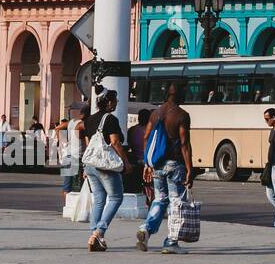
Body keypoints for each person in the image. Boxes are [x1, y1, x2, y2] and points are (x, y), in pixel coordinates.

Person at [136, 84, 195, 254]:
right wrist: (190, 168)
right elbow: (184, 143)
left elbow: (146, 137)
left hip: (157, 165)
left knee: (159, 199)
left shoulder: (156, 113)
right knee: (176, 203)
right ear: (179, 94)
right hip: (175, 164)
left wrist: (148, 163)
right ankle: (170, 242)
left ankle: (146, 229)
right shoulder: (182, 115)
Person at [83, 90, 131, 252]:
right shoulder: (110, 119)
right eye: (115, 100)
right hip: (105, 165)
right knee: (116, 197)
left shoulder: (89, 119)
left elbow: (89, 142)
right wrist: (126, 162)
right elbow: (115, 142)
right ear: (109, 102)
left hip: (90, 164)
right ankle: (99, 232)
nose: (116, 102)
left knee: (98, 199)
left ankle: (95, 235)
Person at [55, 108, 85, 205]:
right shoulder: (83, 124)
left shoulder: (71, 122)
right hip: (77, 155)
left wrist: (63, 141)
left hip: (67, 154)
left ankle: (67, 205)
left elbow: (57, 128)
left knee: (67, 185)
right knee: (80, 184)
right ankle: (72, 206)